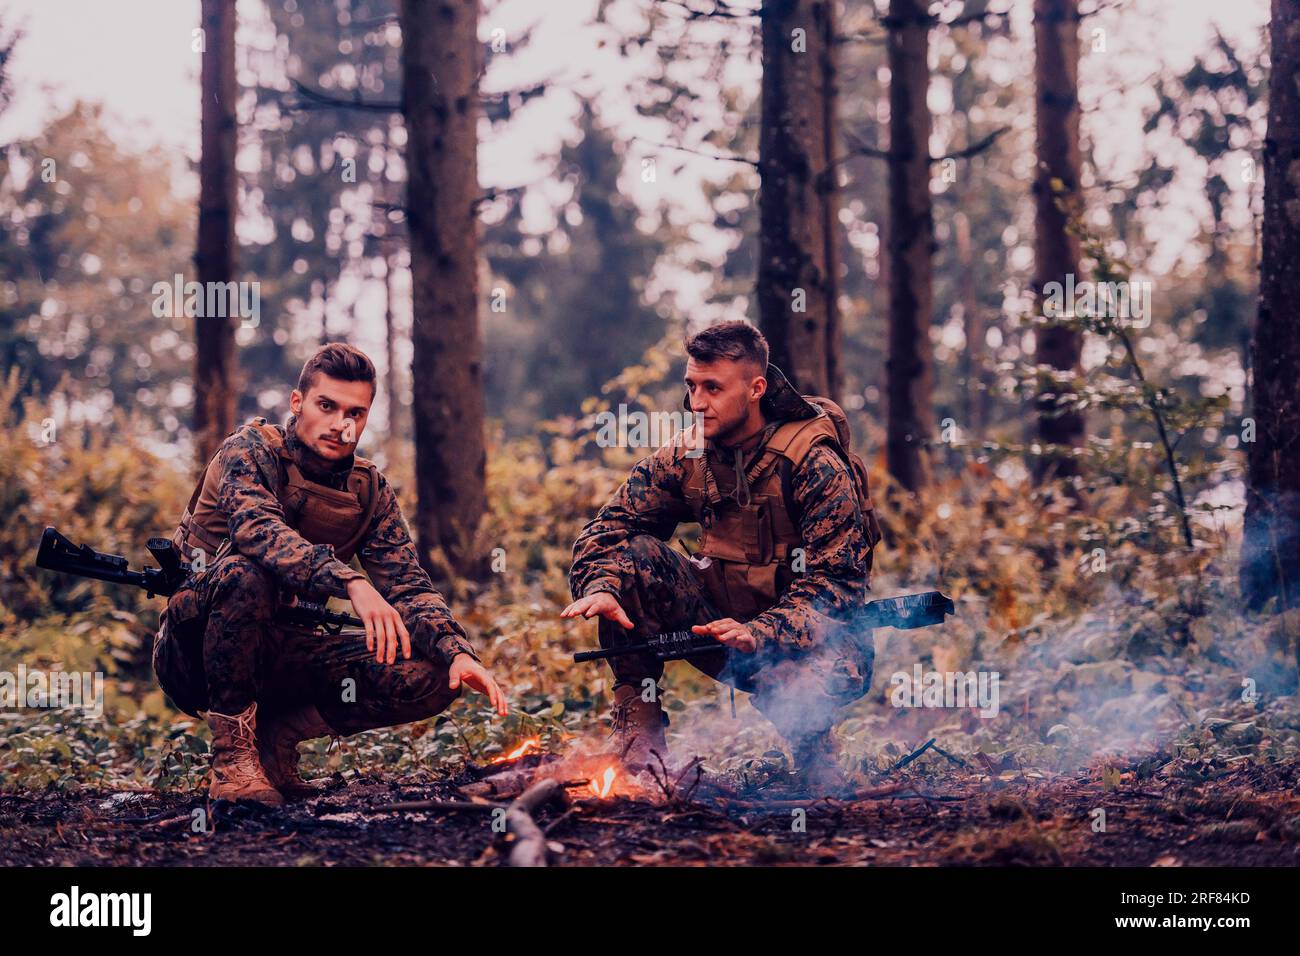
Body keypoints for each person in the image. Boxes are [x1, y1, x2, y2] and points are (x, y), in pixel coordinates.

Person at [153, 343, 507, 805]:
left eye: (355, 413)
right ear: (297, 403)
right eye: (327, 406)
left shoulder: (369, 490)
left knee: (437, 672)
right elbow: (257, 530)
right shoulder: (250, 451)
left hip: (285, 650)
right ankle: (232, 759)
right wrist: (350, 582)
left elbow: (408, 585)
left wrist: (456, 649)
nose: (341, 424)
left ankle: (275, 738)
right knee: (245, 575)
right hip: (196, 652)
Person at [563, 321, 882, 793]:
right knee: (631, 555)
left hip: (812, 645)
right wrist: (603, 586)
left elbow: (838, 587)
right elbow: (609, 529)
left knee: (814, 688)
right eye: (691, 385)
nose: (697, 402)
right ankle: (639, 740)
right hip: (717, 632)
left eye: (713, 388)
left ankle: (816, 754)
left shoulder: (812, 462)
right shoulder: (687, 453)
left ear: (756, 388)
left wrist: (759, 631)